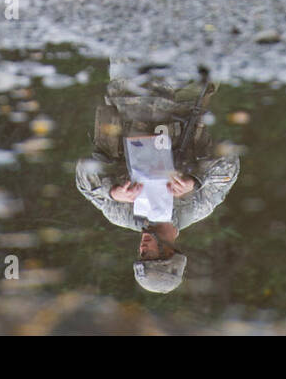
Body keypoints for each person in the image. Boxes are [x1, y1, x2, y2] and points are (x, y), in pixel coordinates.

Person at [75, 84, 240, 294]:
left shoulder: (120, 213)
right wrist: (195, 180)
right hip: (182, 95)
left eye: (140, 255)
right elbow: (230, 163)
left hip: (128, 91)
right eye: (149, 255)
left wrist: (112, 191)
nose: (142, 249)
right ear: (169, 252)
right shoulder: (197, 206)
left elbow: (83, 175)